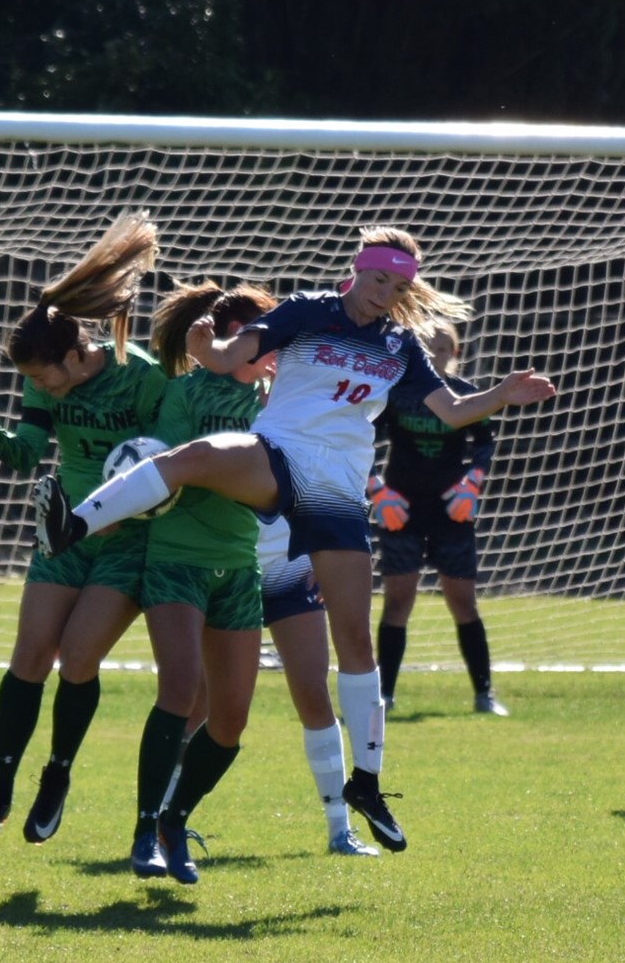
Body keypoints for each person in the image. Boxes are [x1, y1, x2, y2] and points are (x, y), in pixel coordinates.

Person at [34, 226, 557, 852]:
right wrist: (211, 346)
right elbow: (233, 360)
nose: (383, 292)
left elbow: (447, 411)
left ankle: (366, 784)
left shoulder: (400, 345)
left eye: (397, 285)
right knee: (195, 455)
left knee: (356, 644)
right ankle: (76, 523)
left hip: (334, 490)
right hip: (277, 454)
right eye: (376, 279)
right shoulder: (309, 310)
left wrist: (504, 395)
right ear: (356, 271)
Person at [0, 211, 165, 850]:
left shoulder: (144, 375)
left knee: (79, 660)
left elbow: (175, 458)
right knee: (29, 659)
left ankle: (57, 775)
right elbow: (23, 456)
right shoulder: (41, 379)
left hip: (128, 541)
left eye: (45, 377)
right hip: (60, 534)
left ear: (76, 353)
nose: (39, 388)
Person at [127, 280, 275, 883]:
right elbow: (174, 468)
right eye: (259, 335)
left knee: (230, 718)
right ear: (225, 340)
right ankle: (144, 831)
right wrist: (241, 473)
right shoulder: (186, 392)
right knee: (182, 688)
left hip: (239, 565)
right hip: (177, 557)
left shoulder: (279, 401)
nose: (270, 346)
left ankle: (174, 818)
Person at [368, 318, 507, 715]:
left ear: (455, 353)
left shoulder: (468, 396)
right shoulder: (397, 393)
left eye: (442, 347)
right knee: (398, 602)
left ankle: (484, 694)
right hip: (402, 511)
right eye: (427, 346)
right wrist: (379, 490)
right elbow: (360, 440)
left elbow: (484, 444)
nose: (434, 353)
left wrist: (472, 484)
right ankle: (385, 695)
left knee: (463, 601)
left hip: (451, 512)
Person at [261, 511, 379, 858]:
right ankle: (161, 822)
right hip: (230, 563)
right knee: (203, 702)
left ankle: (339, 830)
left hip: (292, 566)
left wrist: (322, 554)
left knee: (314, 694)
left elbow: (325, 488)